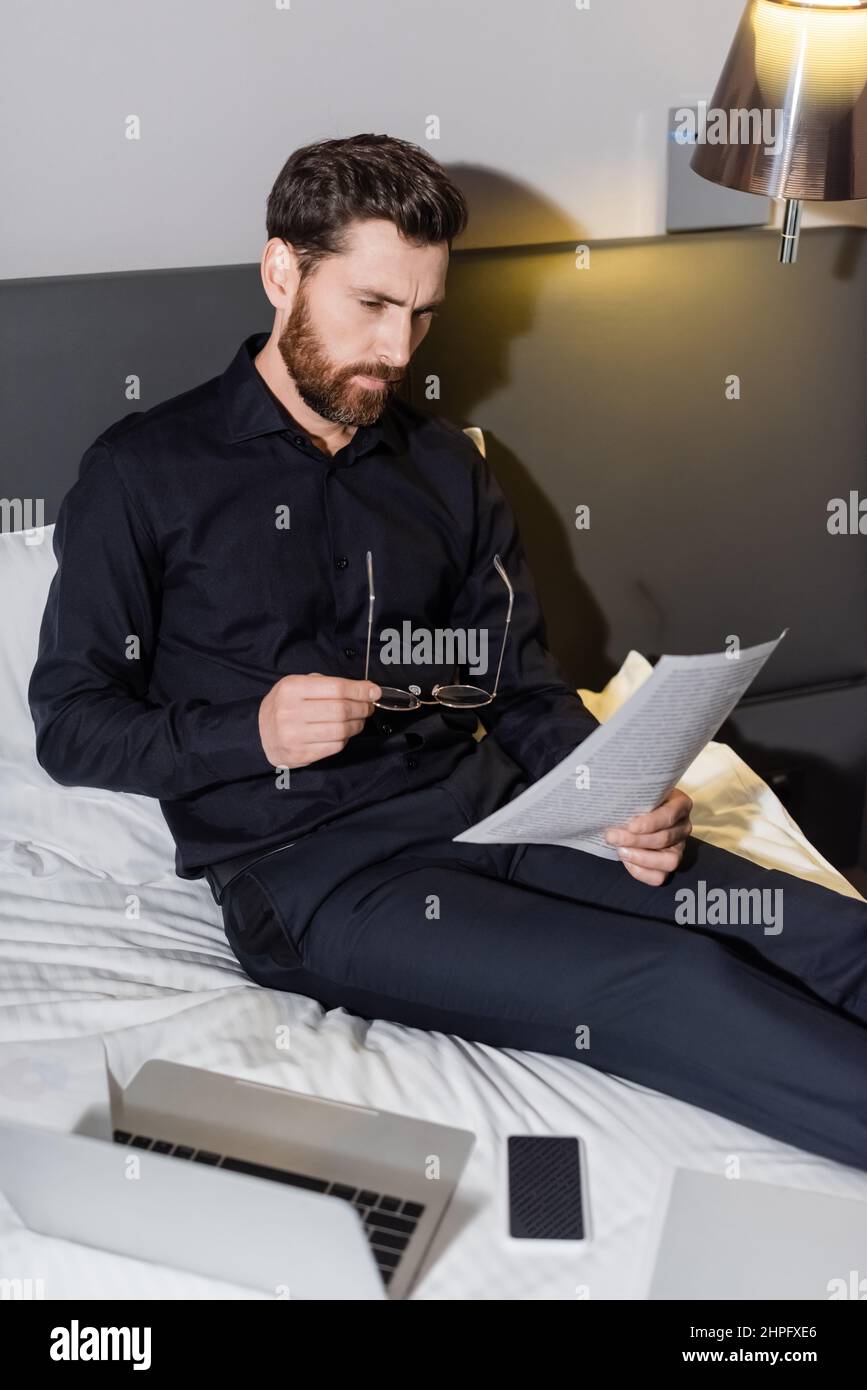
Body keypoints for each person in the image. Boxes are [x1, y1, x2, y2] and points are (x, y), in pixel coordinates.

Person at [29, 134, 867, 1173]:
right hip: (316, 879)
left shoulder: (441, 467)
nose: (400, 346)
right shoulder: (141, 473)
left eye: (424, 313)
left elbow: (523, 687)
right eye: (372, 306)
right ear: (282, 270)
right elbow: (68, 724)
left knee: (820, 930)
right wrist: (248, 731)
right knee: (676, 980)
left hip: (501, 810)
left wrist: (613, 791)